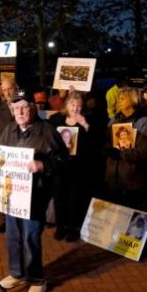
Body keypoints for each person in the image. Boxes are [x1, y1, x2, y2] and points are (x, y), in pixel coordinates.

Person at [0, 91, 67, 292]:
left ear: (33, 109)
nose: (19, 111)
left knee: (29, 236)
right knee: (12, 235)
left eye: (24, 107)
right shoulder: (9, 129)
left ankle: (37, 279)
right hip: (11, 194)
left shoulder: (46, 131)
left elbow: (63, 160)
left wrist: (43, 165)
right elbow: (0, 153)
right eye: (15, 107)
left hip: (34, 195)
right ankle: (17, 273)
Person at [49, 92, 98, 242]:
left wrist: (84, 124)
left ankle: (72, 229)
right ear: (67, 105)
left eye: (79, 106)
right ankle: (60, 227)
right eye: (72, 105)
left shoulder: (87, 121)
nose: (75, 108)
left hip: (77, 167)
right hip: (59, 166)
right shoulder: (56, 119)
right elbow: (49, 137)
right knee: (59, 198)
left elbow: (94, 143)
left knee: (74, 199)